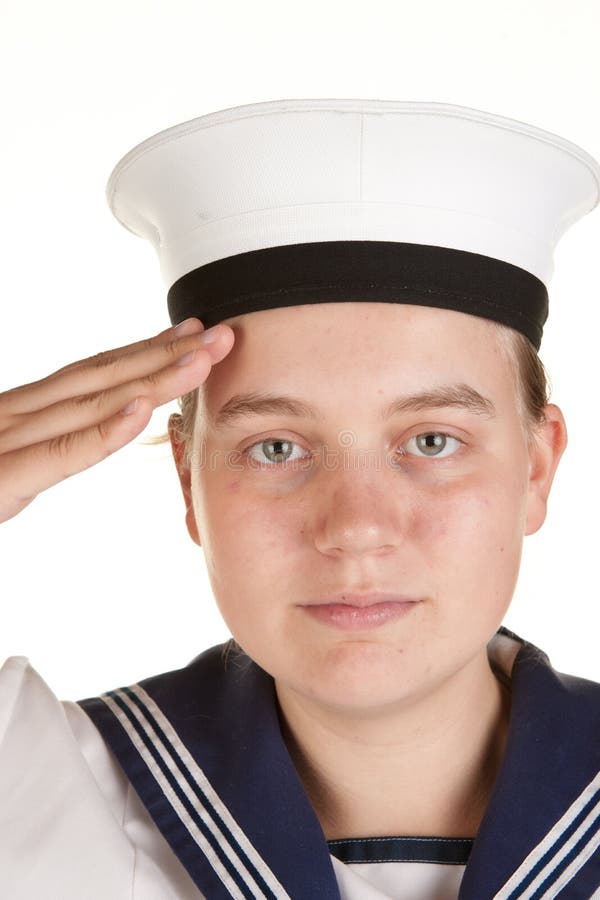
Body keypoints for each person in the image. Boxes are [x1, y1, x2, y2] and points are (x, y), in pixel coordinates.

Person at [1, 98, 599, 900]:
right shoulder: (40, 795)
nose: (355, 528)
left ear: (535, 468)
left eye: (430, 441)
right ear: (188, 480)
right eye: (277, 448)